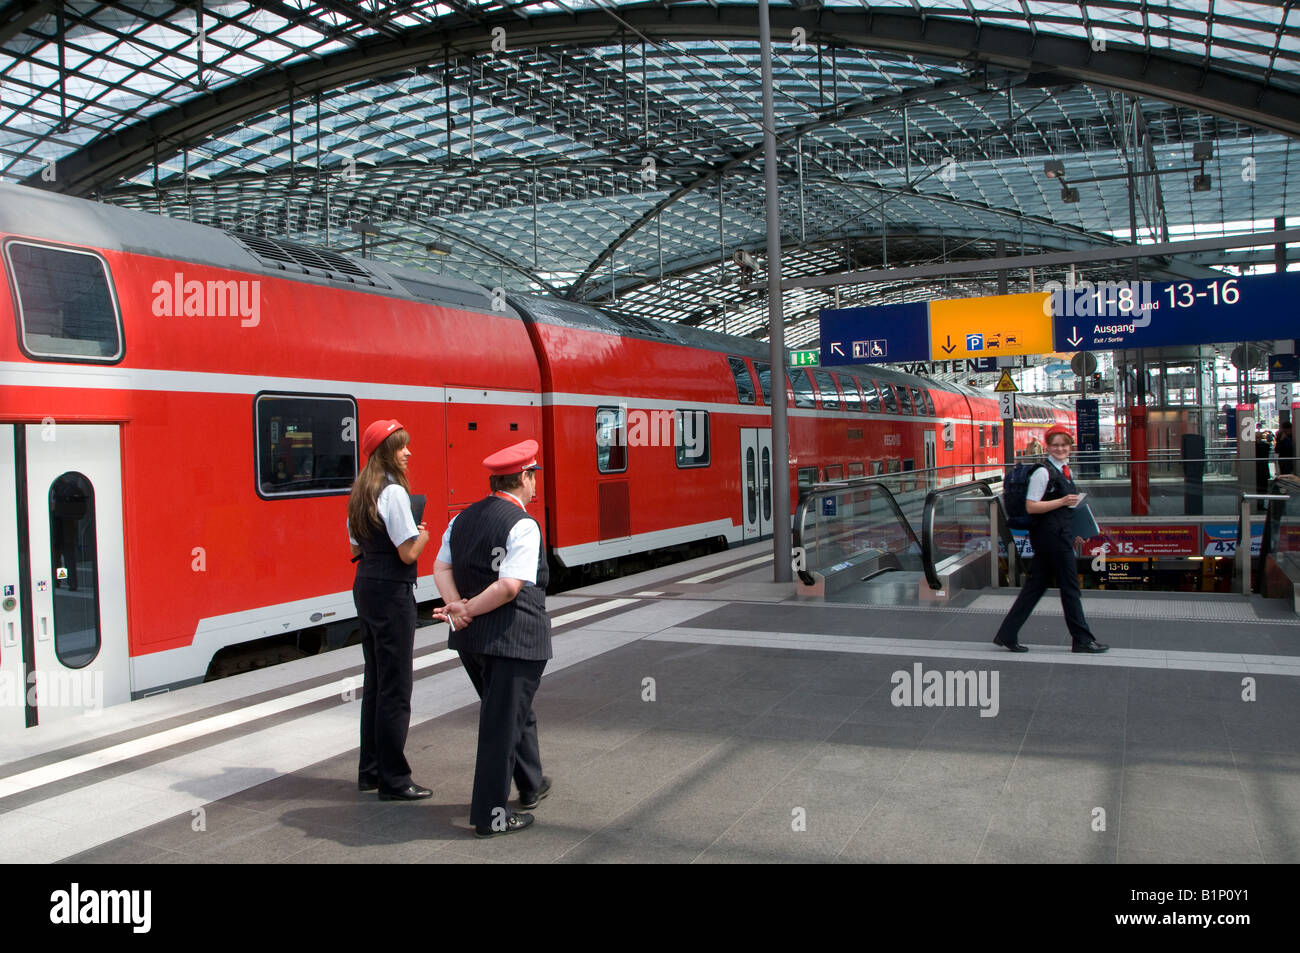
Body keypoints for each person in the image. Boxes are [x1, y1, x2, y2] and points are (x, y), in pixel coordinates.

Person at [433, 439, 552, 838]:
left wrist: (454, 606)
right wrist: (466, 609)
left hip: (471, 642)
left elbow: (440, 566)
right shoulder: (522, 524)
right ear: (522, 477)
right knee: (501, 723)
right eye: (533, 476)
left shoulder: (462, 518)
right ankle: (492, 815)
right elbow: (508, 587)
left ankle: (531, 783)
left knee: (513, 711)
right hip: (514, 639)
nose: (535, 485)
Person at [346, 419, 432, 801]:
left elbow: (355, 549)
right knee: (396, 687)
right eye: (401, 447)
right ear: (387, 452)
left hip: (365, 585)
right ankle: (395, 780)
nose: (408, 452)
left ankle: (371, 771)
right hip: (392, 591)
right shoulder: (394, 492)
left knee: (376, 683)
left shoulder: (359, 492)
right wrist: (423, 534)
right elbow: (407, 552)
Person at [993, 424, 1108, 654]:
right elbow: (1032, 506)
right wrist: (1062, 501)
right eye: (1055, 445)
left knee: (1035, 587)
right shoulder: (1043, 472)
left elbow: (1064, 508)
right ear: (1048, 446)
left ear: (1070, 447)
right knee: (1070, 588)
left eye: (1064, 445)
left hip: (1058, 534)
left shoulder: (1066, 470)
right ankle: (1082, 640)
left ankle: (1007, 634)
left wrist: (1074, 530)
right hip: (1050, 538)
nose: (1060, 448)